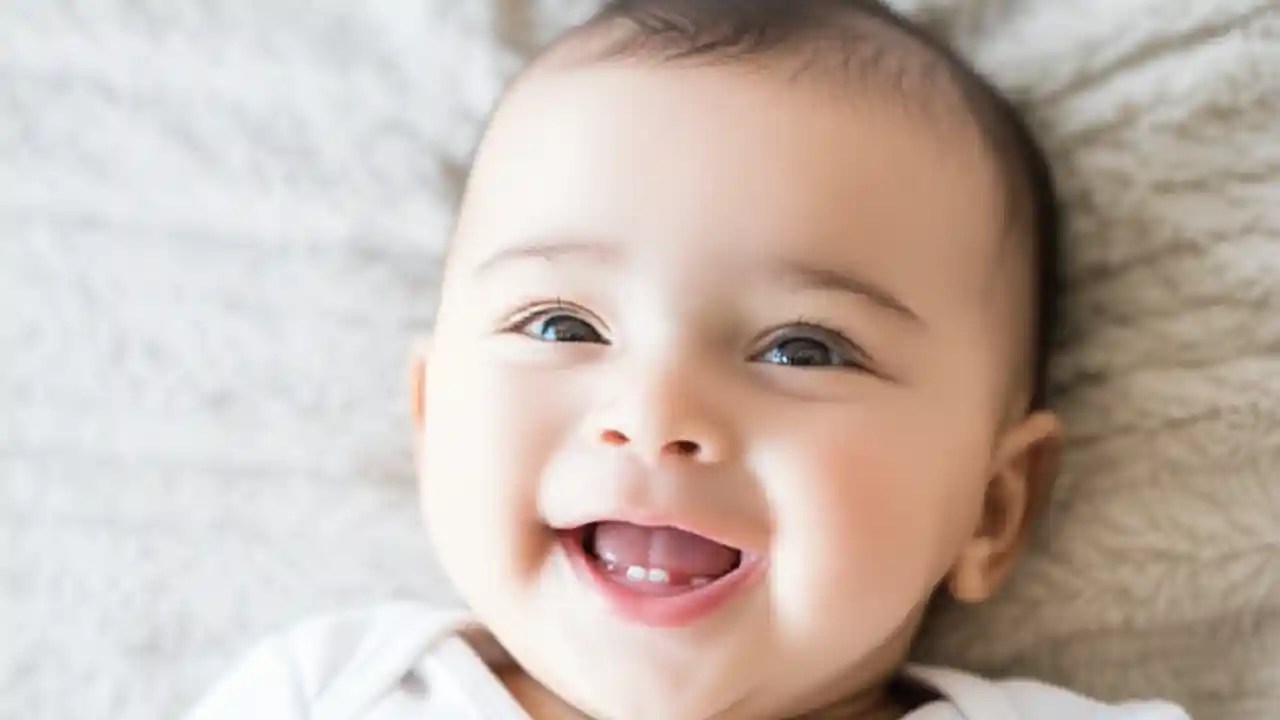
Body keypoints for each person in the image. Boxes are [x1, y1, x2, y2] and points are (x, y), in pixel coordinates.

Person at [189, 1, 1190, 717]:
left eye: (803, 347)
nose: (655, 409)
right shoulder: (325, 690)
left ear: (990, 507)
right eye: (560, 326)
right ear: (428, 418)